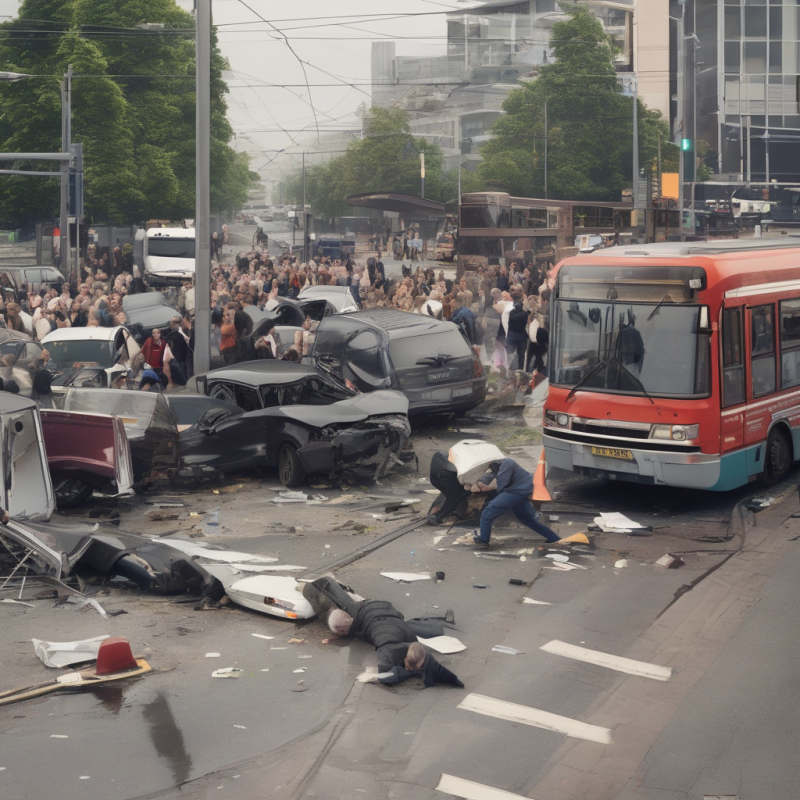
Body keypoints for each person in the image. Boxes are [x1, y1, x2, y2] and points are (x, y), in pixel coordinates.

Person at [302, 578, 463, 688]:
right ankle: (308, 586)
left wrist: (457, 682)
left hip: (386, 610)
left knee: (342, 600)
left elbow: (434, 668)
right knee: (334, 605)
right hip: (374, 610)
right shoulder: (394, 643)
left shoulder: (400, 640)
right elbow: (395, 674)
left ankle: (324, 586)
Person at [461, 458, 560, 547]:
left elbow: (501, 484)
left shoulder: (507, 464)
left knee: (487, 513)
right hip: (520, 490)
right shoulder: (503, 465)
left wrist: (483, 486)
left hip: (516, 491)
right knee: (526, 518)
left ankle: (483, 540)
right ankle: (553, 537)